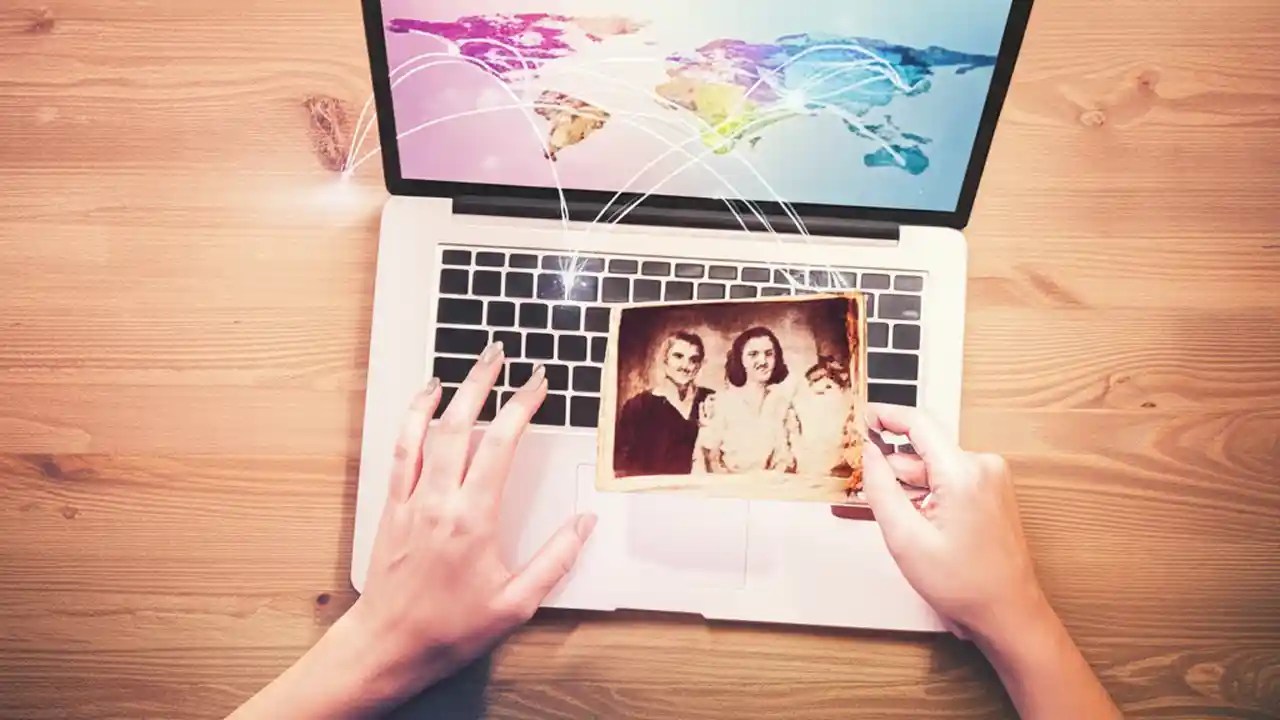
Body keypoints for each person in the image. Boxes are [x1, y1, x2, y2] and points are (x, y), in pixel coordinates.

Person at [228, 343, 1123, 720]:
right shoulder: (684, 404)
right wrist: (1023, 620)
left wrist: (382, 641)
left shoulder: (781, 402)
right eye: (687, 357)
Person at [693, 326, 798, 474]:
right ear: (741, 360)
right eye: (753, 354)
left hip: (772, 489)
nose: (762, 361)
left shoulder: (782, 404)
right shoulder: (719, 403)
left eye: (769, 354)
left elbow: (786, 460)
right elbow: (709, 461)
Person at [613, 331, 714, 477]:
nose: (686, 366)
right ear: (665, 359)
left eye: (694, 360)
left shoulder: (710, 400)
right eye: (678, 356)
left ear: (699, 366)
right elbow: (623, 465)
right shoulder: (639, 407)